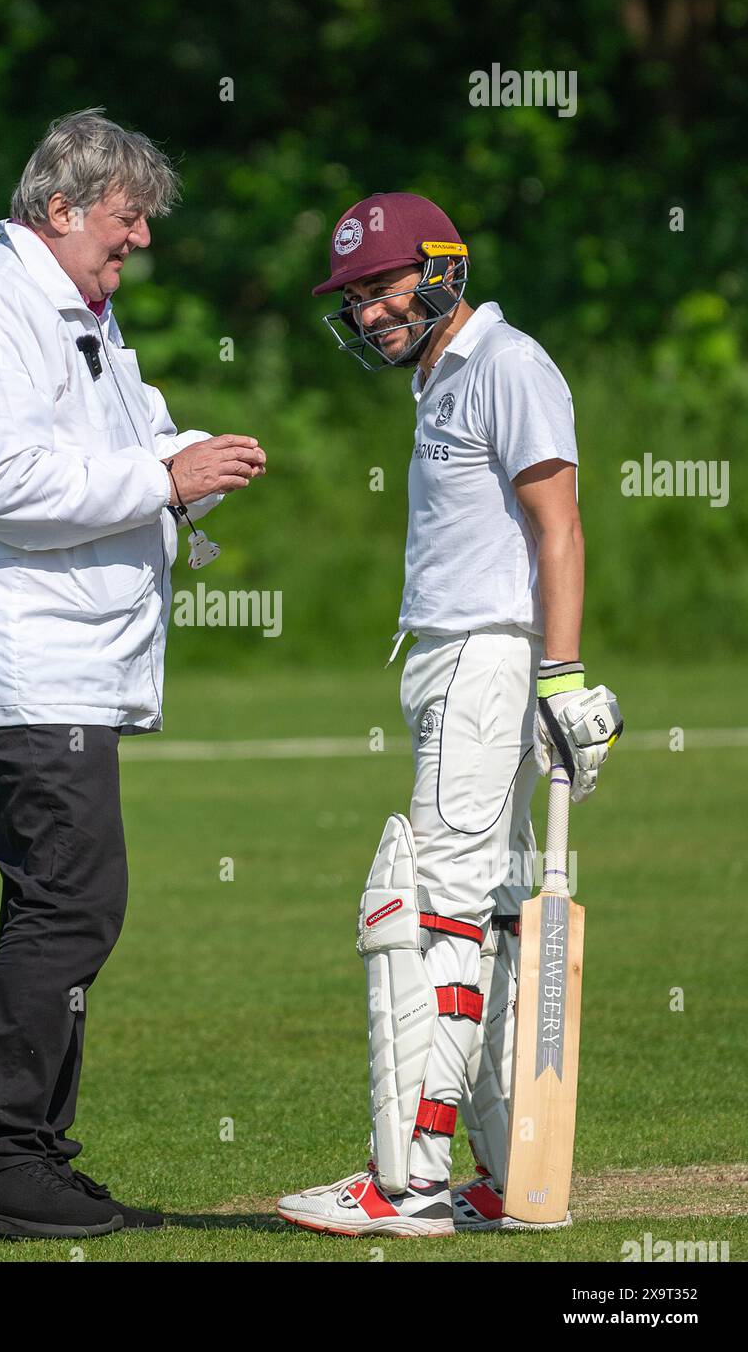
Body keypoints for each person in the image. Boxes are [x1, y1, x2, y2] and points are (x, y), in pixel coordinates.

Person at [0, 108, 266, 1239]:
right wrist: (165, 482)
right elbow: (7, 480)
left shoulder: (81, 313)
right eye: (125, 217)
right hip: (22, 664)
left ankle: (30, 1160)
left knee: (61, 906)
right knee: (72, 905)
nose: (140, 239)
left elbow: (132, 443)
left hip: (60, 665)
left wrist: (193, 468)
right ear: (56, 209)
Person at [277, 192, 621, 1238]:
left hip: (485, 659)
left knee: (435, 905)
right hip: (450, 661)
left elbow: (556, 525)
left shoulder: (505, 363)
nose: (370, 315)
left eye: (379, 290)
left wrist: (559, 675)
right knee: (497, 906)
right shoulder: (438, 378)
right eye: (355, 301)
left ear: (437, 270)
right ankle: (500, 1172)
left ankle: (406, 1180)